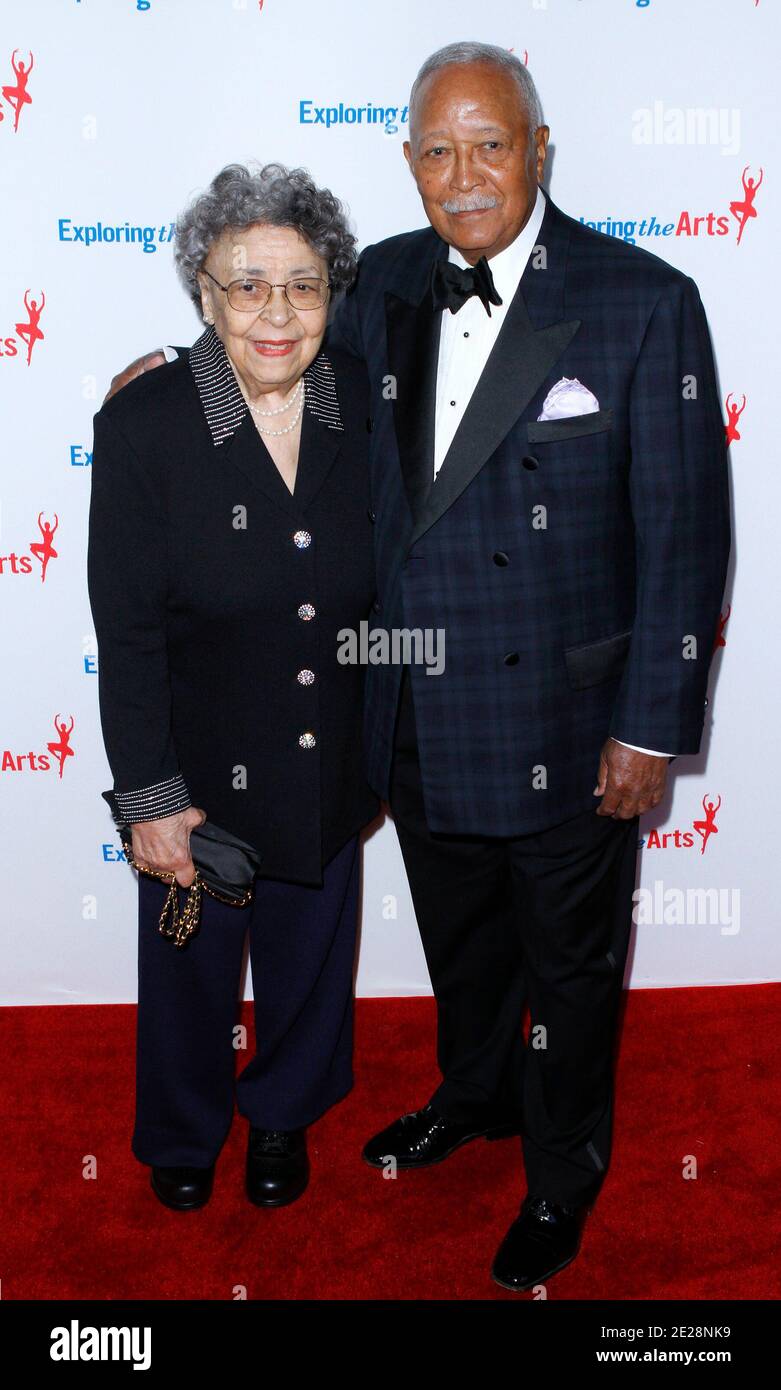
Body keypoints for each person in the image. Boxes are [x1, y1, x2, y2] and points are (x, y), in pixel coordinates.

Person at [106, 43, 731, 1294]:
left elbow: (686, 532)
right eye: (436, 150)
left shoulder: (641, 300)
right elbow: (261, 360)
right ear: (407, 163)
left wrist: (651, 730)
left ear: (538, 147)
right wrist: (160, 384)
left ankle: (561, 1175)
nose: (464, 174)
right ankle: (474, 1097)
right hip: (412, 715)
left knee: (567, 964)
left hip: (569, 717)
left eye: (489, 144)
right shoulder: (377, 286)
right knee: (467, 951)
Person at [87, 162, 379, 1213]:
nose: (275, 310)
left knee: (309, 966)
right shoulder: (145, 427)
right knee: (188, 973)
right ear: (202, 294)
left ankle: (283, 1119)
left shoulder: (361, 403)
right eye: (245, 284)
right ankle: (180, 1128)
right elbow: (125, 635)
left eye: (301, 284)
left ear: (330, 295)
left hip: (326, 751)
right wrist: (153, 801)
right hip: (200, 773)